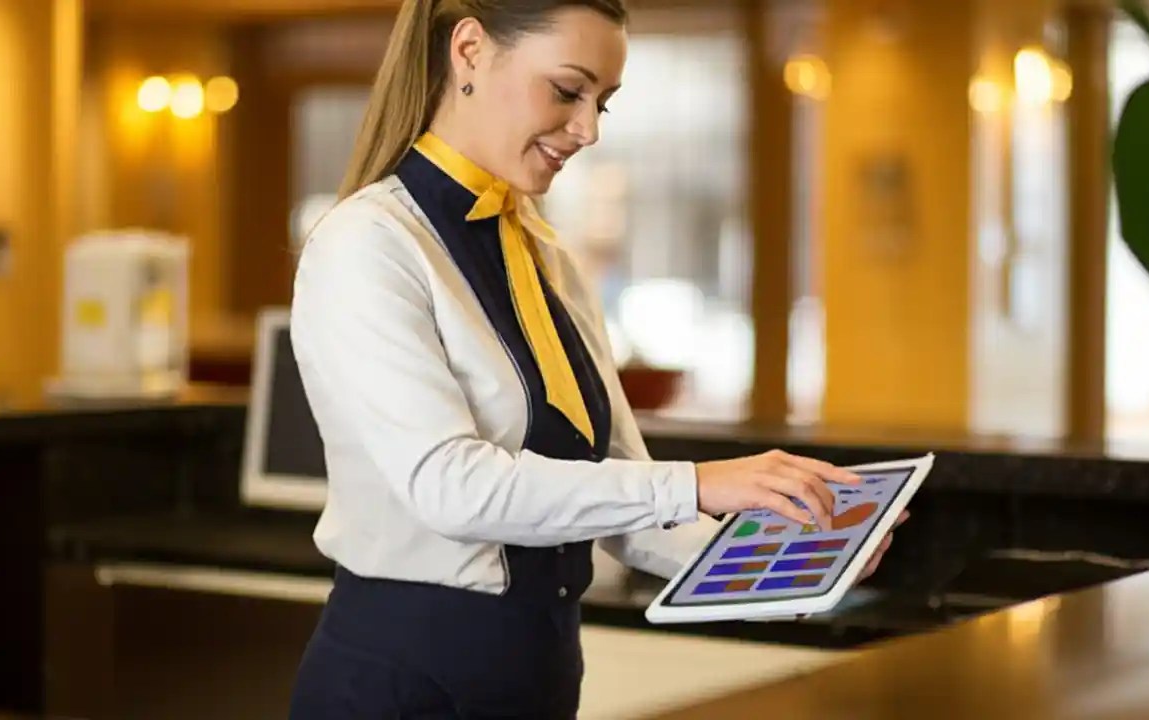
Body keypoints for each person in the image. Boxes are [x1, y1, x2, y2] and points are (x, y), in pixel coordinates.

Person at [286, 0, 904, 717]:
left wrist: (795, 566)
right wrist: (699, 483)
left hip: (539, 677)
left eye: (603, 103)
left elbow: (623, 503)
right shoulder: (366, 244)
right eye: (568, 90)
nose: (587, 130)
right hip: (404, 683)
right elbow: (448, 487)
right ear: (468, 52)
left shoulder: (546, 256)